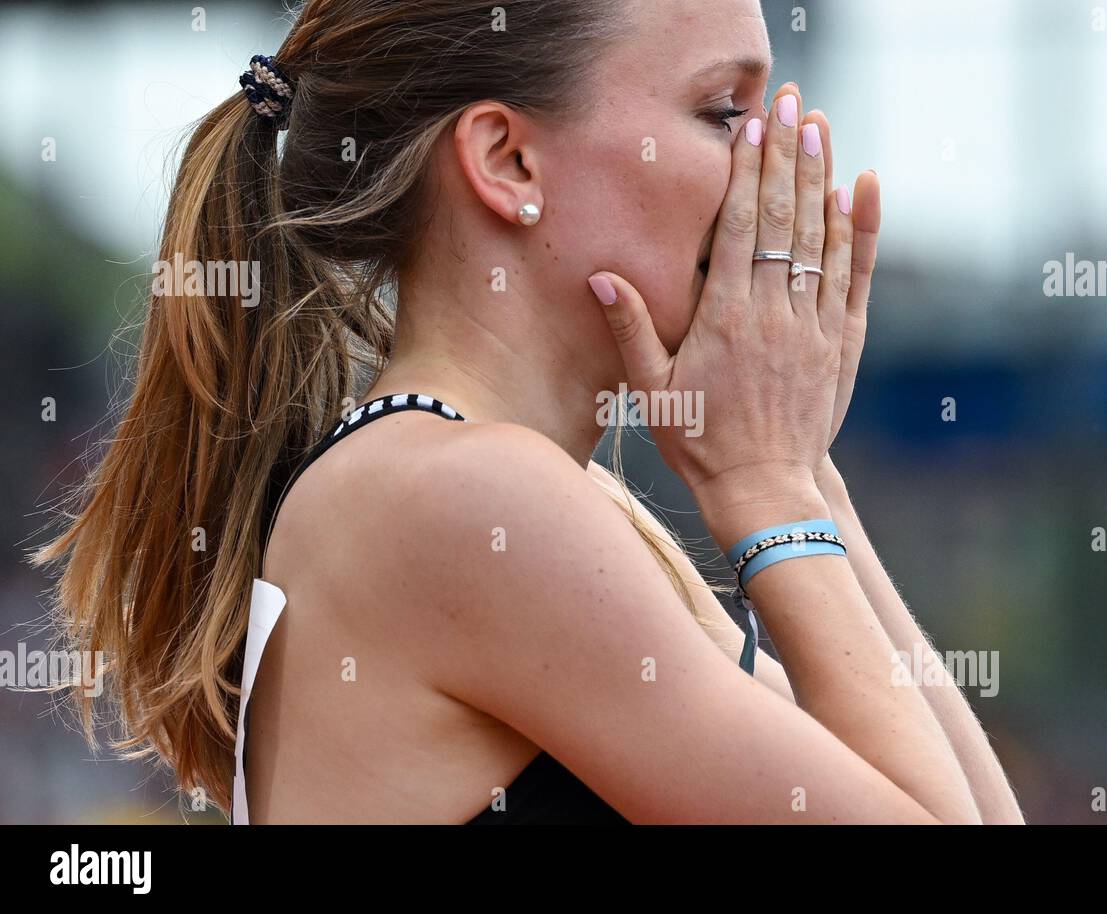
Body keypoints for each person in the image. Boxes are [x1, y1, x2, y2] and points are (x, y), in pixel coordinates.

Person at [32, 0, 1023, 824]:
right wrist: (765, 481)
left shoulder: (539, 494)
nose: (775, 162)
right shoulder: (465, 503)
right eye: (724, 112)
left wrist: (801, 474)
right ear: (507, 162)